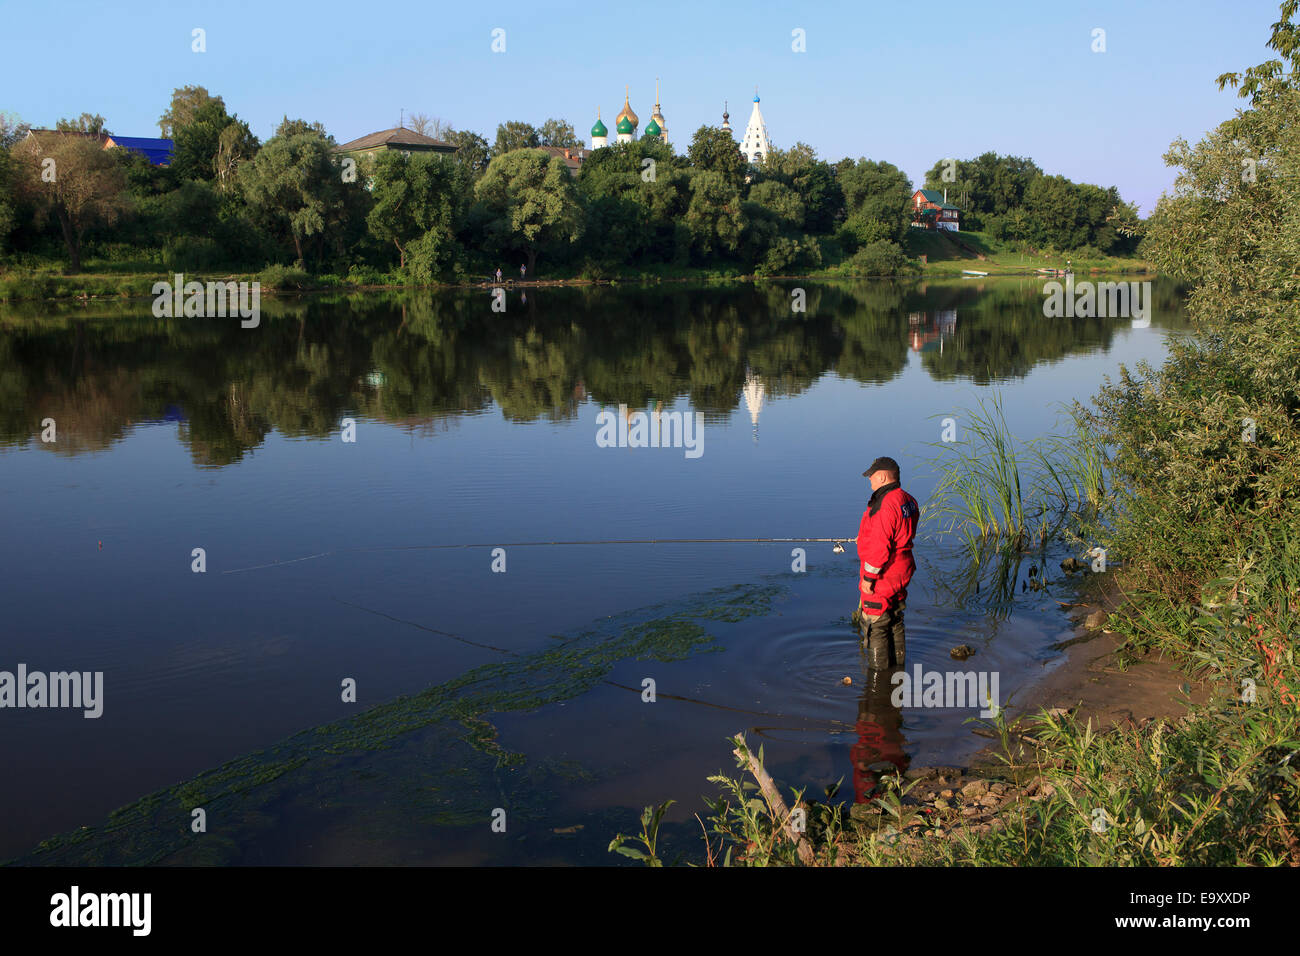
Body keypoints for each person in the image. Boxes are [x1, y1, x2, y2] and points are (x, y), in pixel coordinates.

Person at [856, 456, 919, 670]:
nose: (870, 481)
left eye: (871, 476)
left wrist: (868, 578)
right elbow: (897, 533)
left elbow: (880, 547)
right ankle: (898, 668)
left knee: (876, 624)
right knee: (894, 618)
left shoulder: (885, 504)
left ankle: (878, 679)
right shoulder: (908, 499)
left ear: (882, 476)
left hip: (884, 574)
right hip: (903, 569)